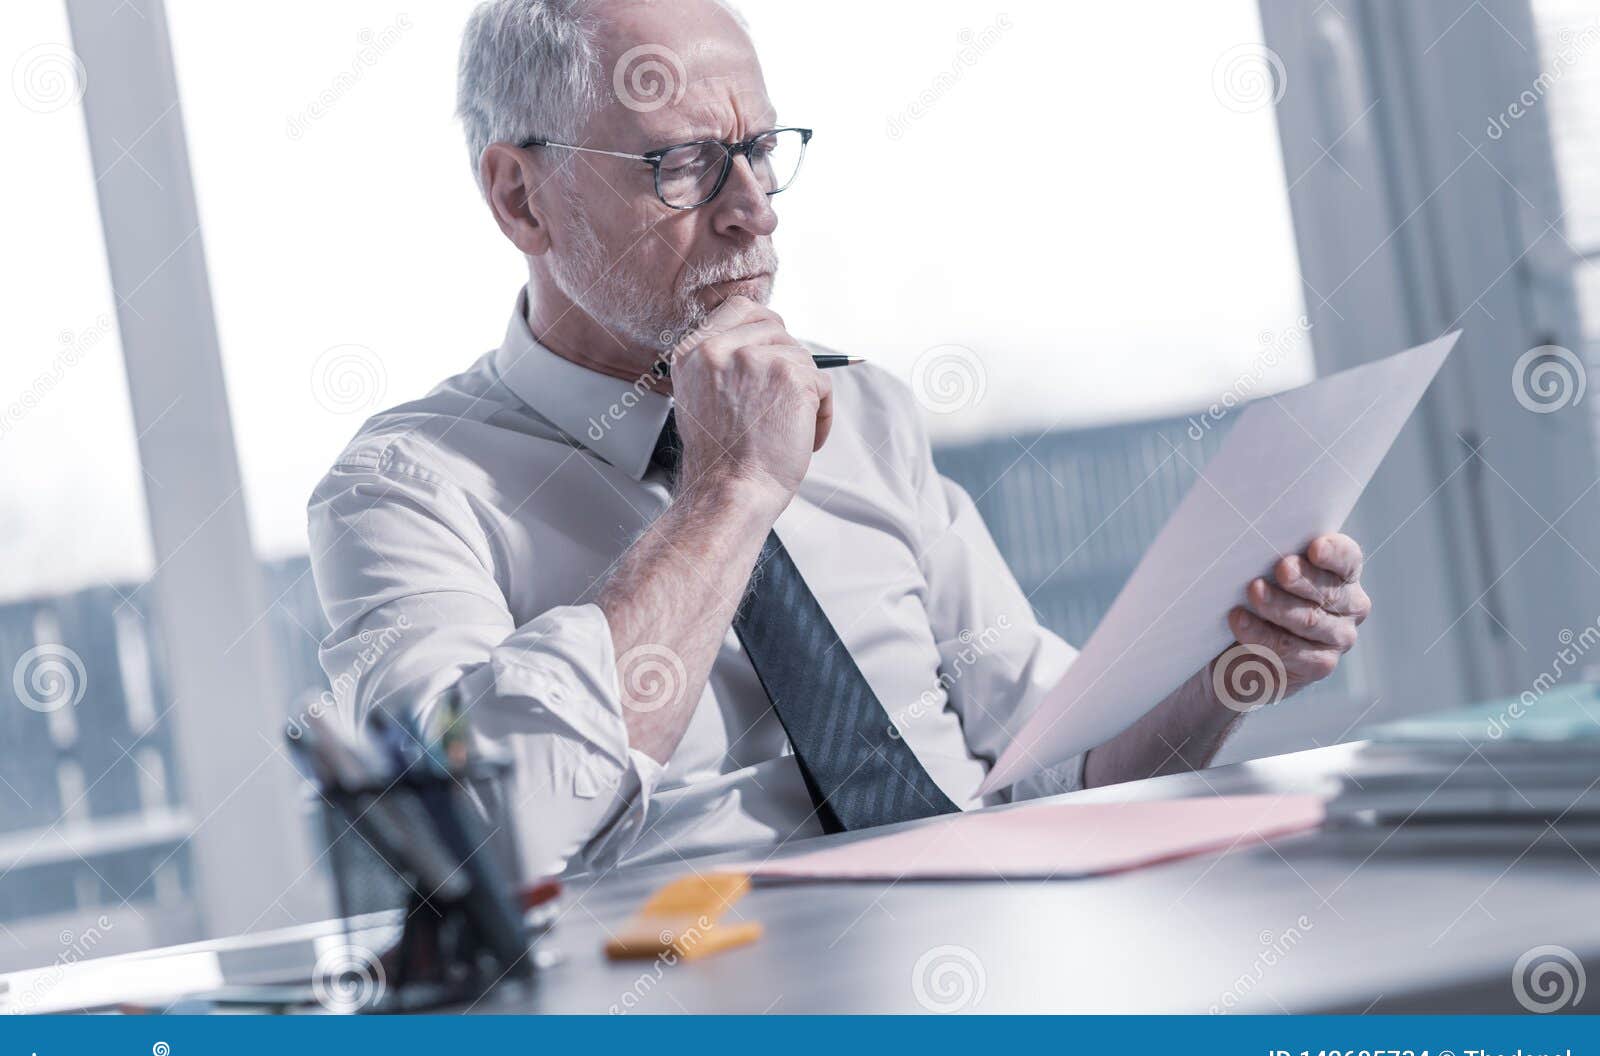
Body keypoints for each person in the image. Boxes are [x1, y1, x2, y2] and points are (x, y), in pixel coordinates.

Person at [307, 0, 1372, 878]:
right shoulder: (406, 491)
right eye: (682, 163)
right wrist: (727, 495)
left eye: (759, 151)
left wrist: (1231, 671)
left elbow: (1045, 774)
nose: (753, 211)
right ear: (518, 195)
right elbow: (471, 847)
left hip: (1008, 964)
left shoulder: (861, 413)